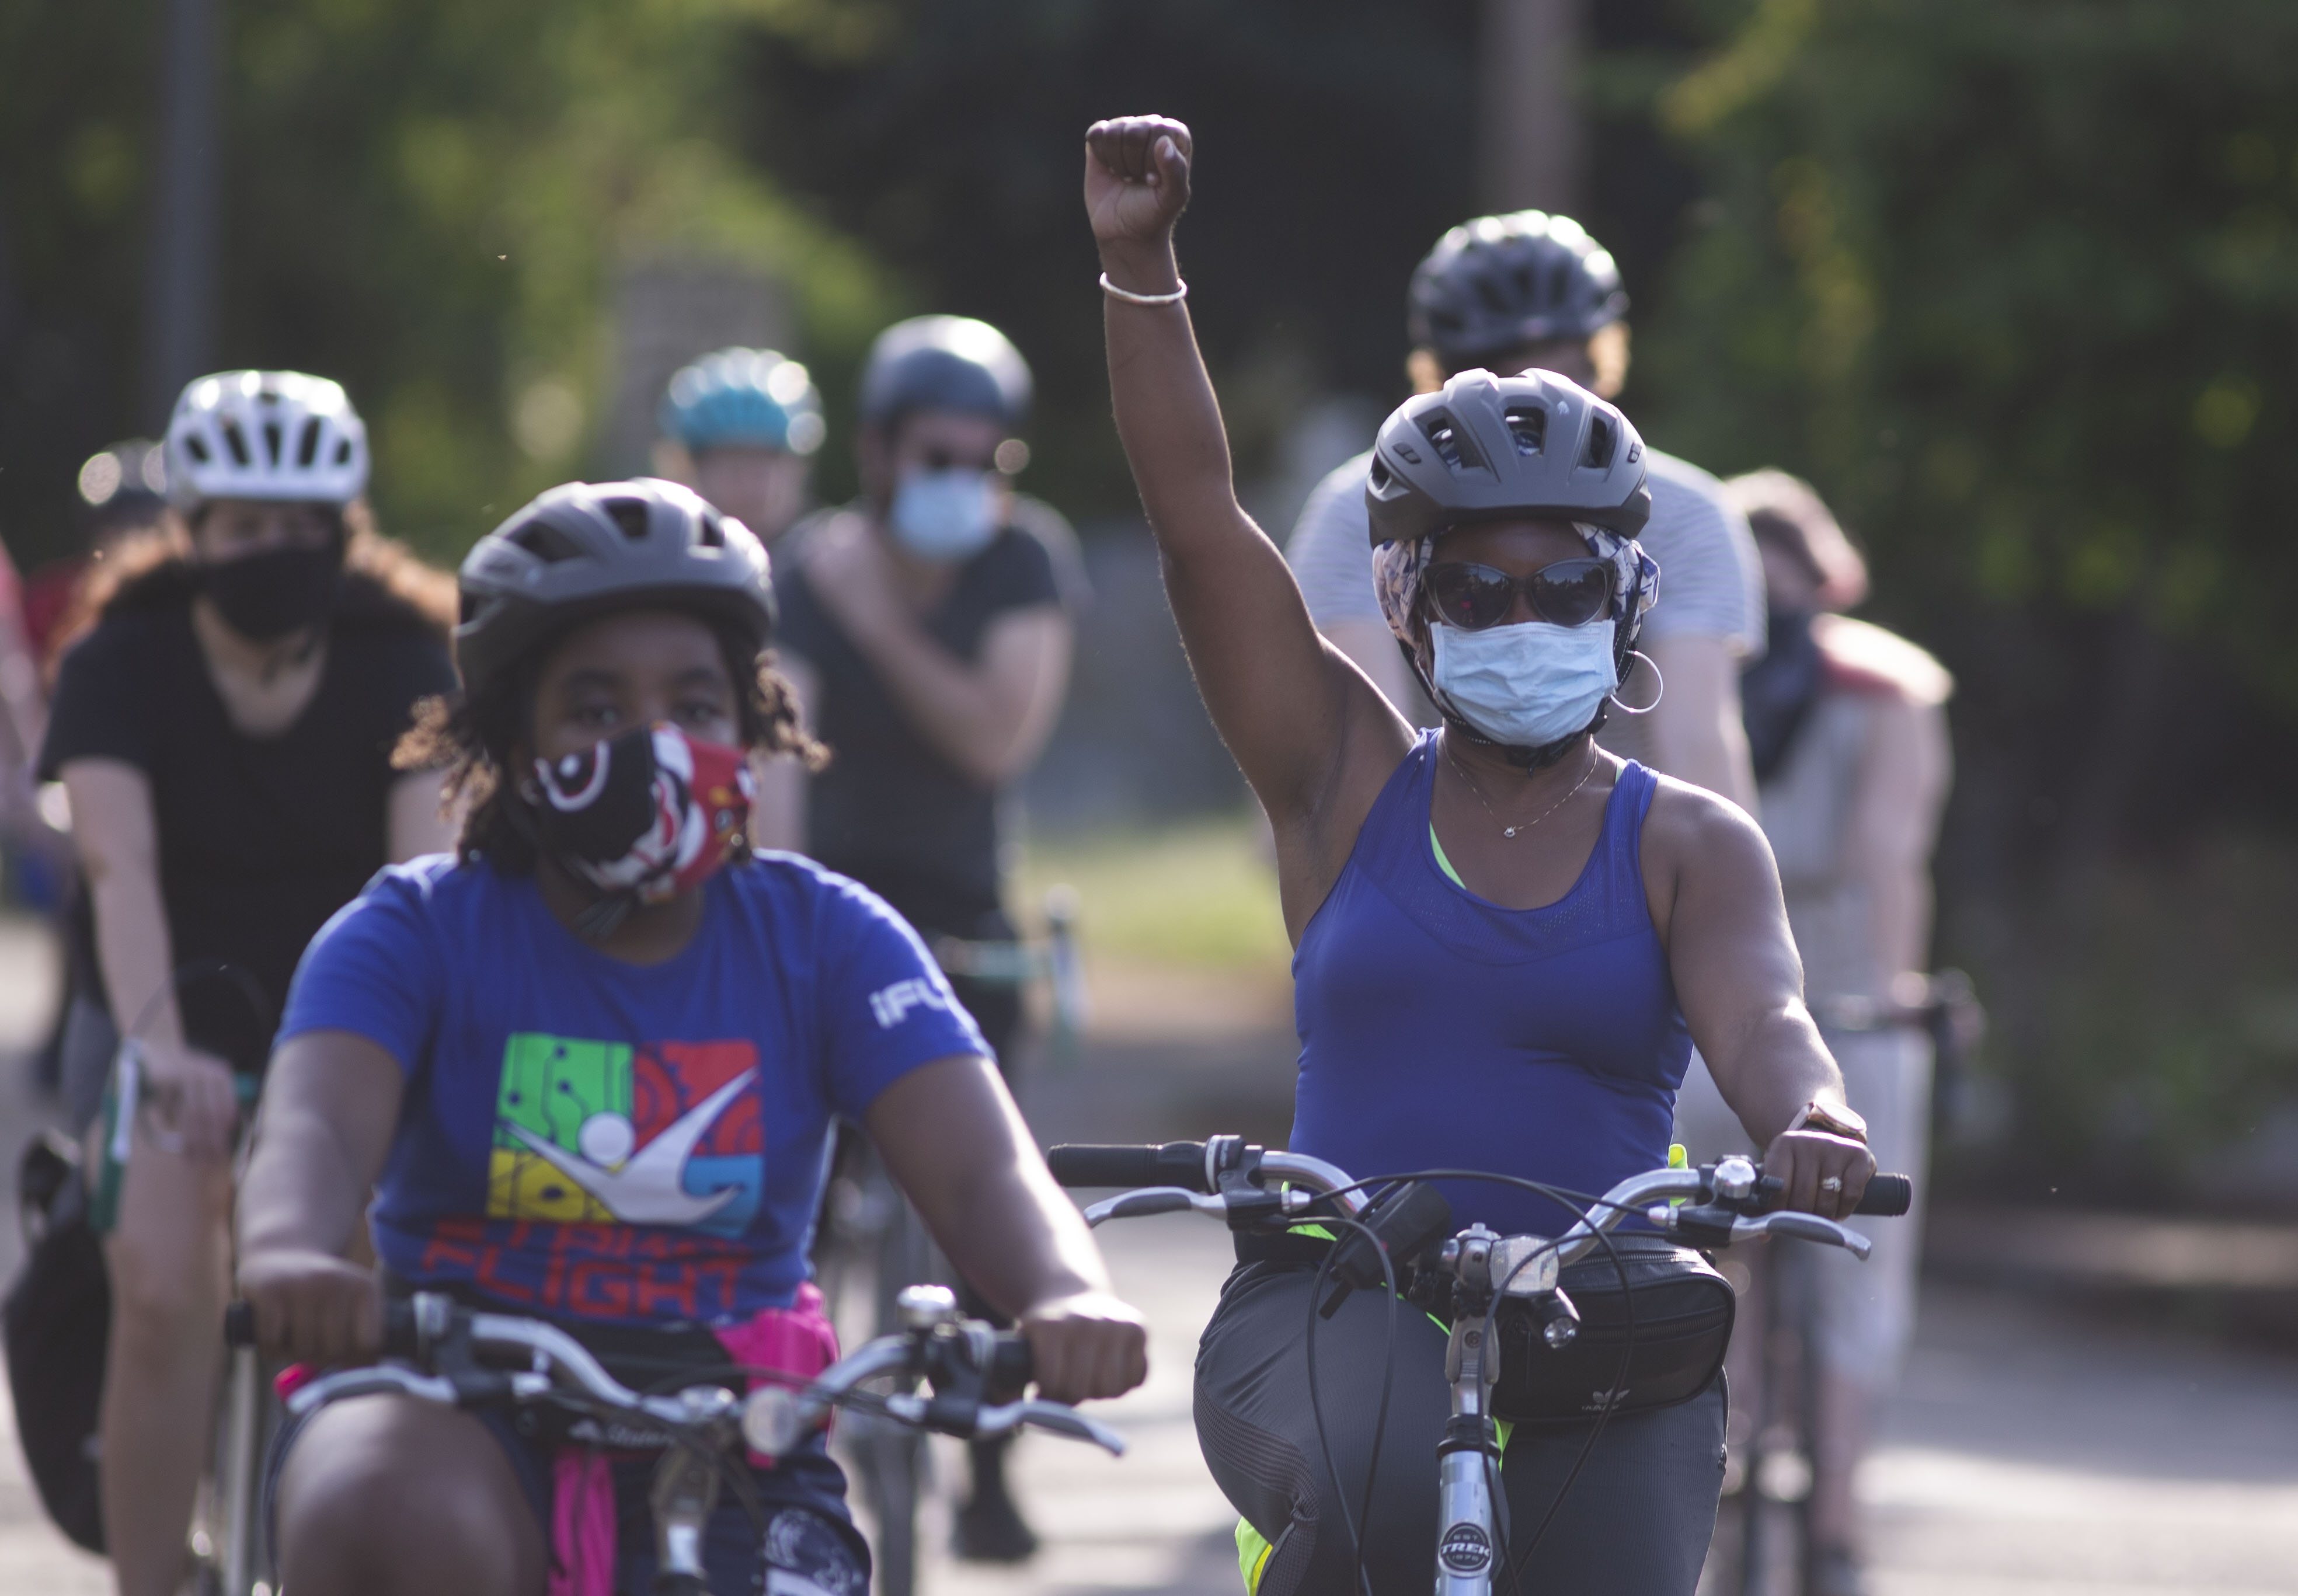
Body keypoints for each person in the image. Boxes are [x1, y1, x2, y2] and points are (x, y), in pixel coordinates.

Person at [1082, 114, 1879, 1595]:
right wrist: (1143, 266)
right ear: (1407, 602)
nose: (1528, 620)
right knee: (1378, 1486)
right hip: (1340, 1293)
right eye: (1480, 587)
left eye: (1567, 583)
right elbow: (1199, 526)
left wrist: (1809, 1117)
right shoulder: (1339, 784)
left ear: (1628, 595)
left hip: (1606, 1315)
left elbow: (1768, 1014)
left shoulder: (1687, 843)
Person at [234, 478, 1146, 1596]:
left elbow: (980, 1167)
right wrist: (291, 1248)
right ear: (516, 738)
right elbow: (318, 1122)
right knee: (382, 1511)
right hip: (452, 1397)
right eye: (598, 707)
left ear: (753, 722)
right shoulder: (413, 929)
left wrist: (1063, 1291)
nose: (656, 744)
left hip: (738, 1422)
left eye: (696, 706)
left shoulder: (830, 939)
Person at [35, 370, 461, 1596]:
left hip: (354, 1028)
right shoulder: (121, 651)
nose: (269, 550)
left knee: (363, 1274)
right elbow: (117, 867)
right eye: (242, 527)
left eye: (297, 528)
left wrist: (385, 1063)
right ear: (193, 528)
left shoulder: (405, 653)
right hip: (170, 1013)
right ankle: (154, 1578)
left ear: (342, 531)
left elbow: (417, 879)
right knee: (167, 1285)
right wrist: (160, 1048)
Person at [757, 313, 1081, 1561]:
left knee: (987, 1176)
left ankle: (989, 1456)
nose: (961, 482)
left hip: (963, 923)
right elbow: (784, 752)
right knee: (795, 1175)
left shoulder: (1025, 561)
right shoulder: (801, 567)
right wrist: (781, 907)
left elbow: (997, 733)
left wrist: (875, 618)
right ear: (881, 451)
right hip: (833, 908)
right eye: (935, 455)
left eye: (983, 461)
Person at [1682, 470, 1952, 1596]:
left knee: (1701, 1253)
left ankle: (1710, 1473)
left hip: (1703, 1015)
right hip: (1850, 1016)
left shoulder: (1679, 674)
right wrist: (1893, 989)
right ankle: (1836, 1521)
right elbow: (1890, 854)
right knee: (1860, 1279)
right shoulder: (1891, 686)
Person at [1282, 209, 1766, 811]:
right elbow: (1357, 751)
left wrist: (1709, 881)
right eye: (1497, 378)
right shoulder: (1357, 514)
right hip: (1431, 851)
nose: (1526, 405)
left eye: (1555, 377)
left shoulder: (1689, 514)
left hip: (1628, 851)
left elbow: (1698, 754)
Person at [655, 346, 828, 545]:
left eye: (763, 464)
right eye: (732, 465)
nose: (748, 484)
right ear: (691, 470)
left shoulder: (832, 560)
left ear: (797, 469)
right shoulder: (666, 558)